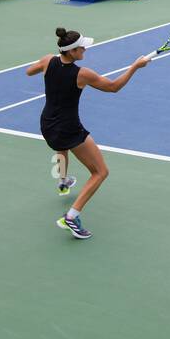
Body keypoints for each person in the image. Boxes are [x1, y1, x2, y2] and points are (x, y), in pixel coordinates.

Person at [25, 27, 152, 240]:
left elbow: (29, 71)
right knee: (100, 172)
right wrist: (135, 67)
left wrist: (49, 65)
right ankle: (71, 217)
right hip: (69, 128)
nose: (85, 49)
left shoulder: (48, 60)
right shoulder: (82, 74)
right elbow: (113, 87)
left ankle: (63, 180)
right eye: (81, 47)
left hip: (47, 124)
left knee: (60, 146)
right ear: (72, 51)